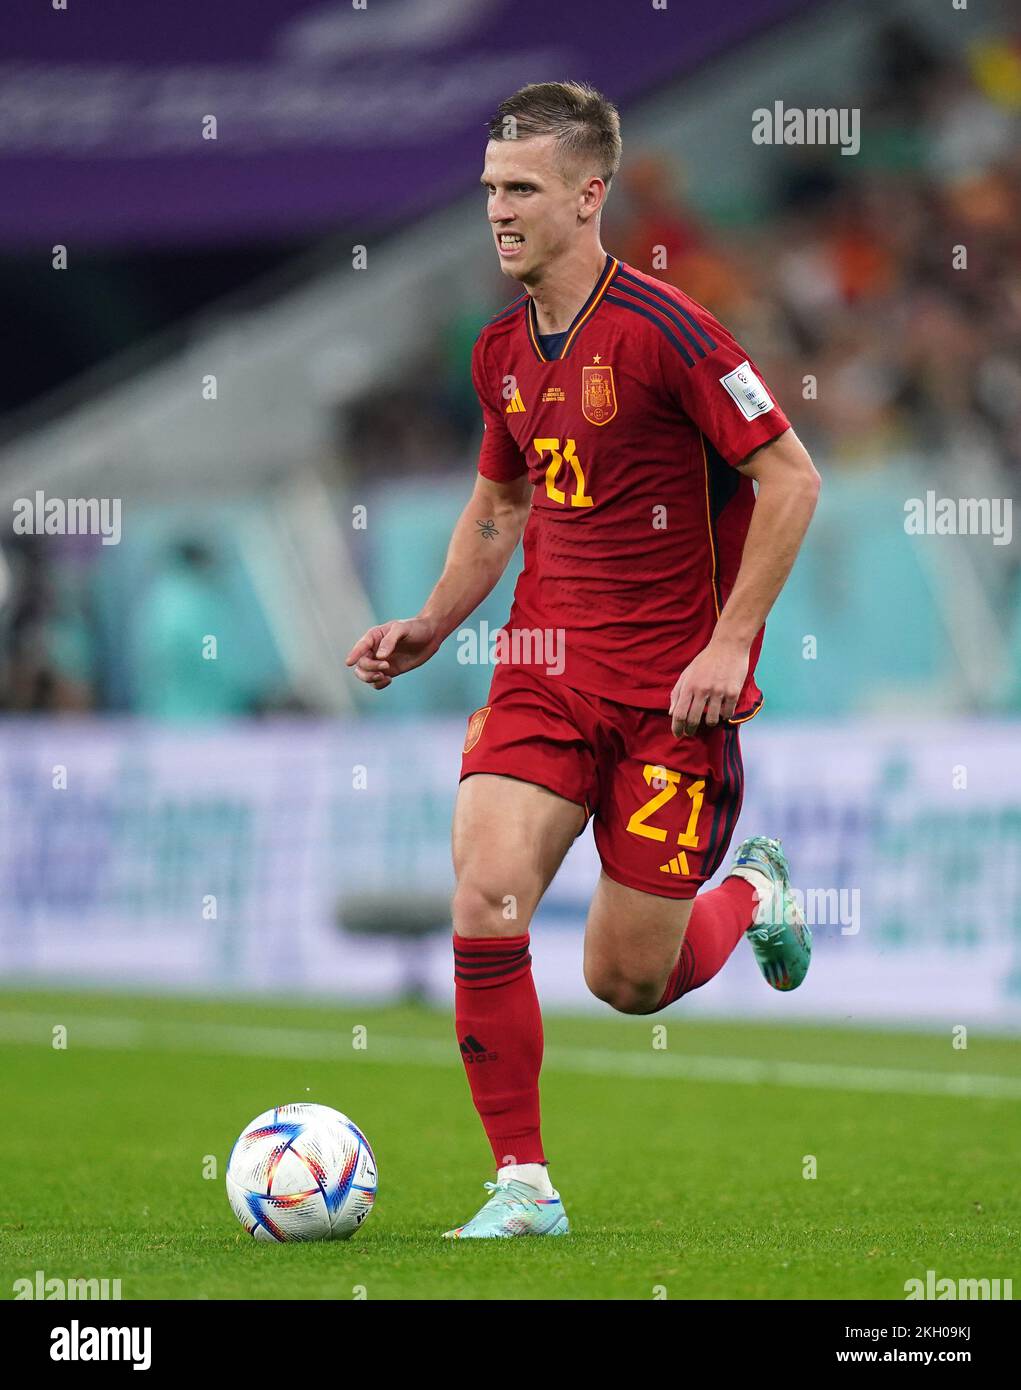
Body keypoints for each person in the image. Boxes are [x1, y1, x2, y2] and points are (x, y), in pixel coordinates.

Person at [347, 82, 820, 1238]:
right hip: (543, 672)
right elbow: (500, 508)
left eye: (520, 189)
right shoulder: (500, 349)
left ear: (588, 195)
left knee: (628, 982)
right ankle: (524, 1183)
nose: (496, 210)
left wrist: (725, 641)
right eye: (489, 190)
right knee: (485, 890)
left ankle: (751, 887)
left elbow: (792, 478)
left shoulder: (669, 332)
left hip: (671, 704)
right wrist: (432, 620)